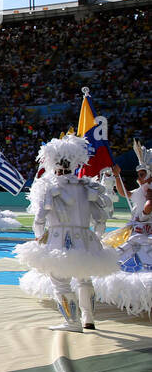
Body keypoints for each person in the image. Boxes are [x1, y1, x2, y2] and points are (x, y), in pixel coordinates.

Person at [14, 135, 119, 332]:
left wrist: (38, 236)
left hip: (59, 238)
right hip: (86, 237)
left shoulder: (50, 188)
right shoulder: (87, 187)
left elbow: (39, 217)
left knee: (60, 282)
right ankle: (88, 318)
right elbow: (101, 219)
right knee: (84, 278)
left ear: (54, 164)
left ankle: (72, 322)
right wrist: (96, 236)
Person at [92, 144, 152, 317]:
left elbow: (147, 209)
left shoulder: (149, 192)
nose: (139, 178)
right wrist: (117, 176)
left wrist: (144, 213)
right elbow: (123, 192)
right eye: (139, 174)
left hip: (144, 235)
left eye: (142, 174)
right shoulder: (142, 191)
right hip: (135, 232)